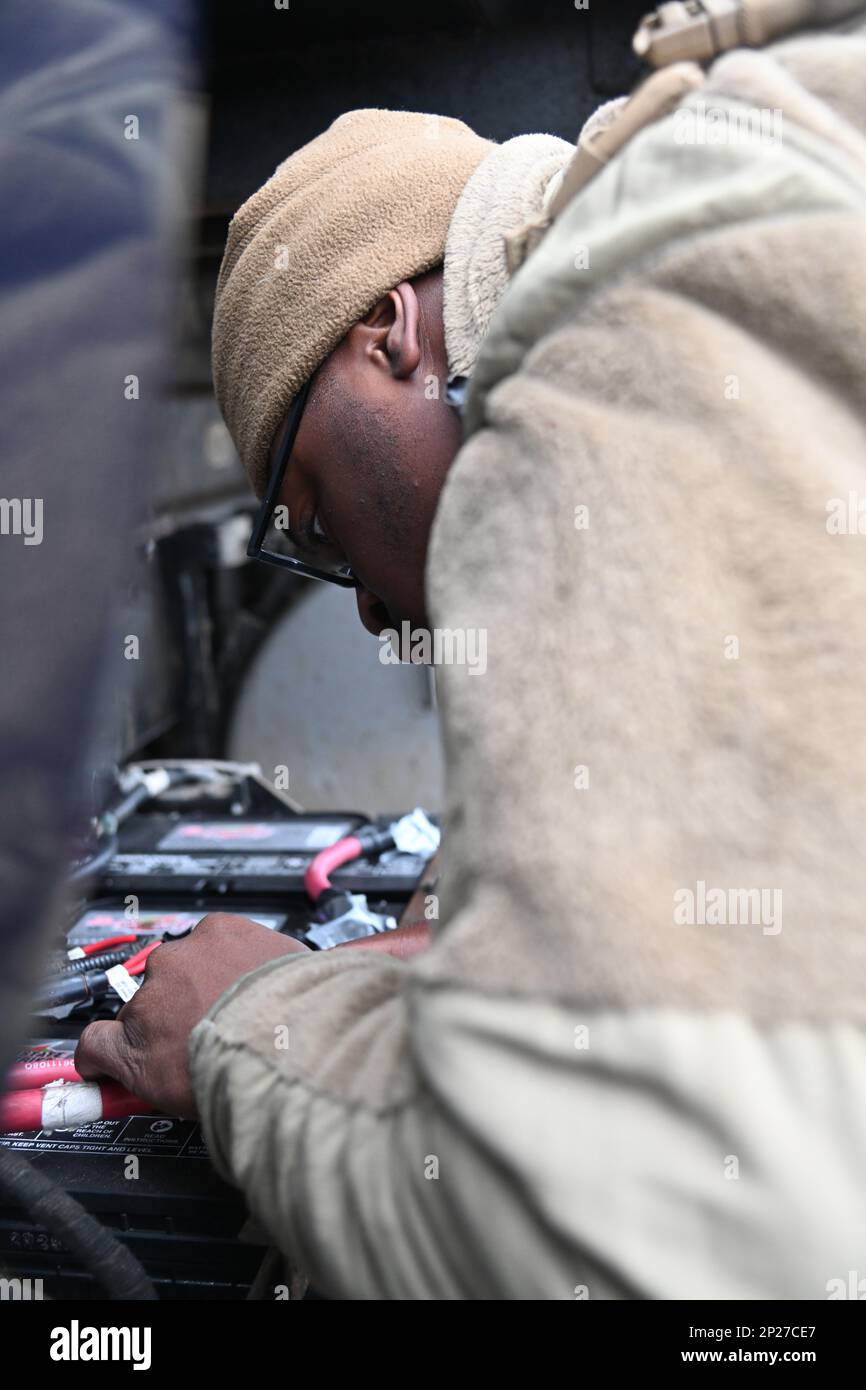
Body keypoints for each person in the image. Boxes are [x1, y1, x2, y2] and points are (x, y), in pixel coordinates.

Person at [78, 3, 866, 1298]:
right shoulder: (725, 196)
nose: (375, 617)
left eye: (314, 518)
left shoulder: (608, 342)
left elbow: (607, 1231)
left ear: (385, 330)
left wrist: (250, 1024)